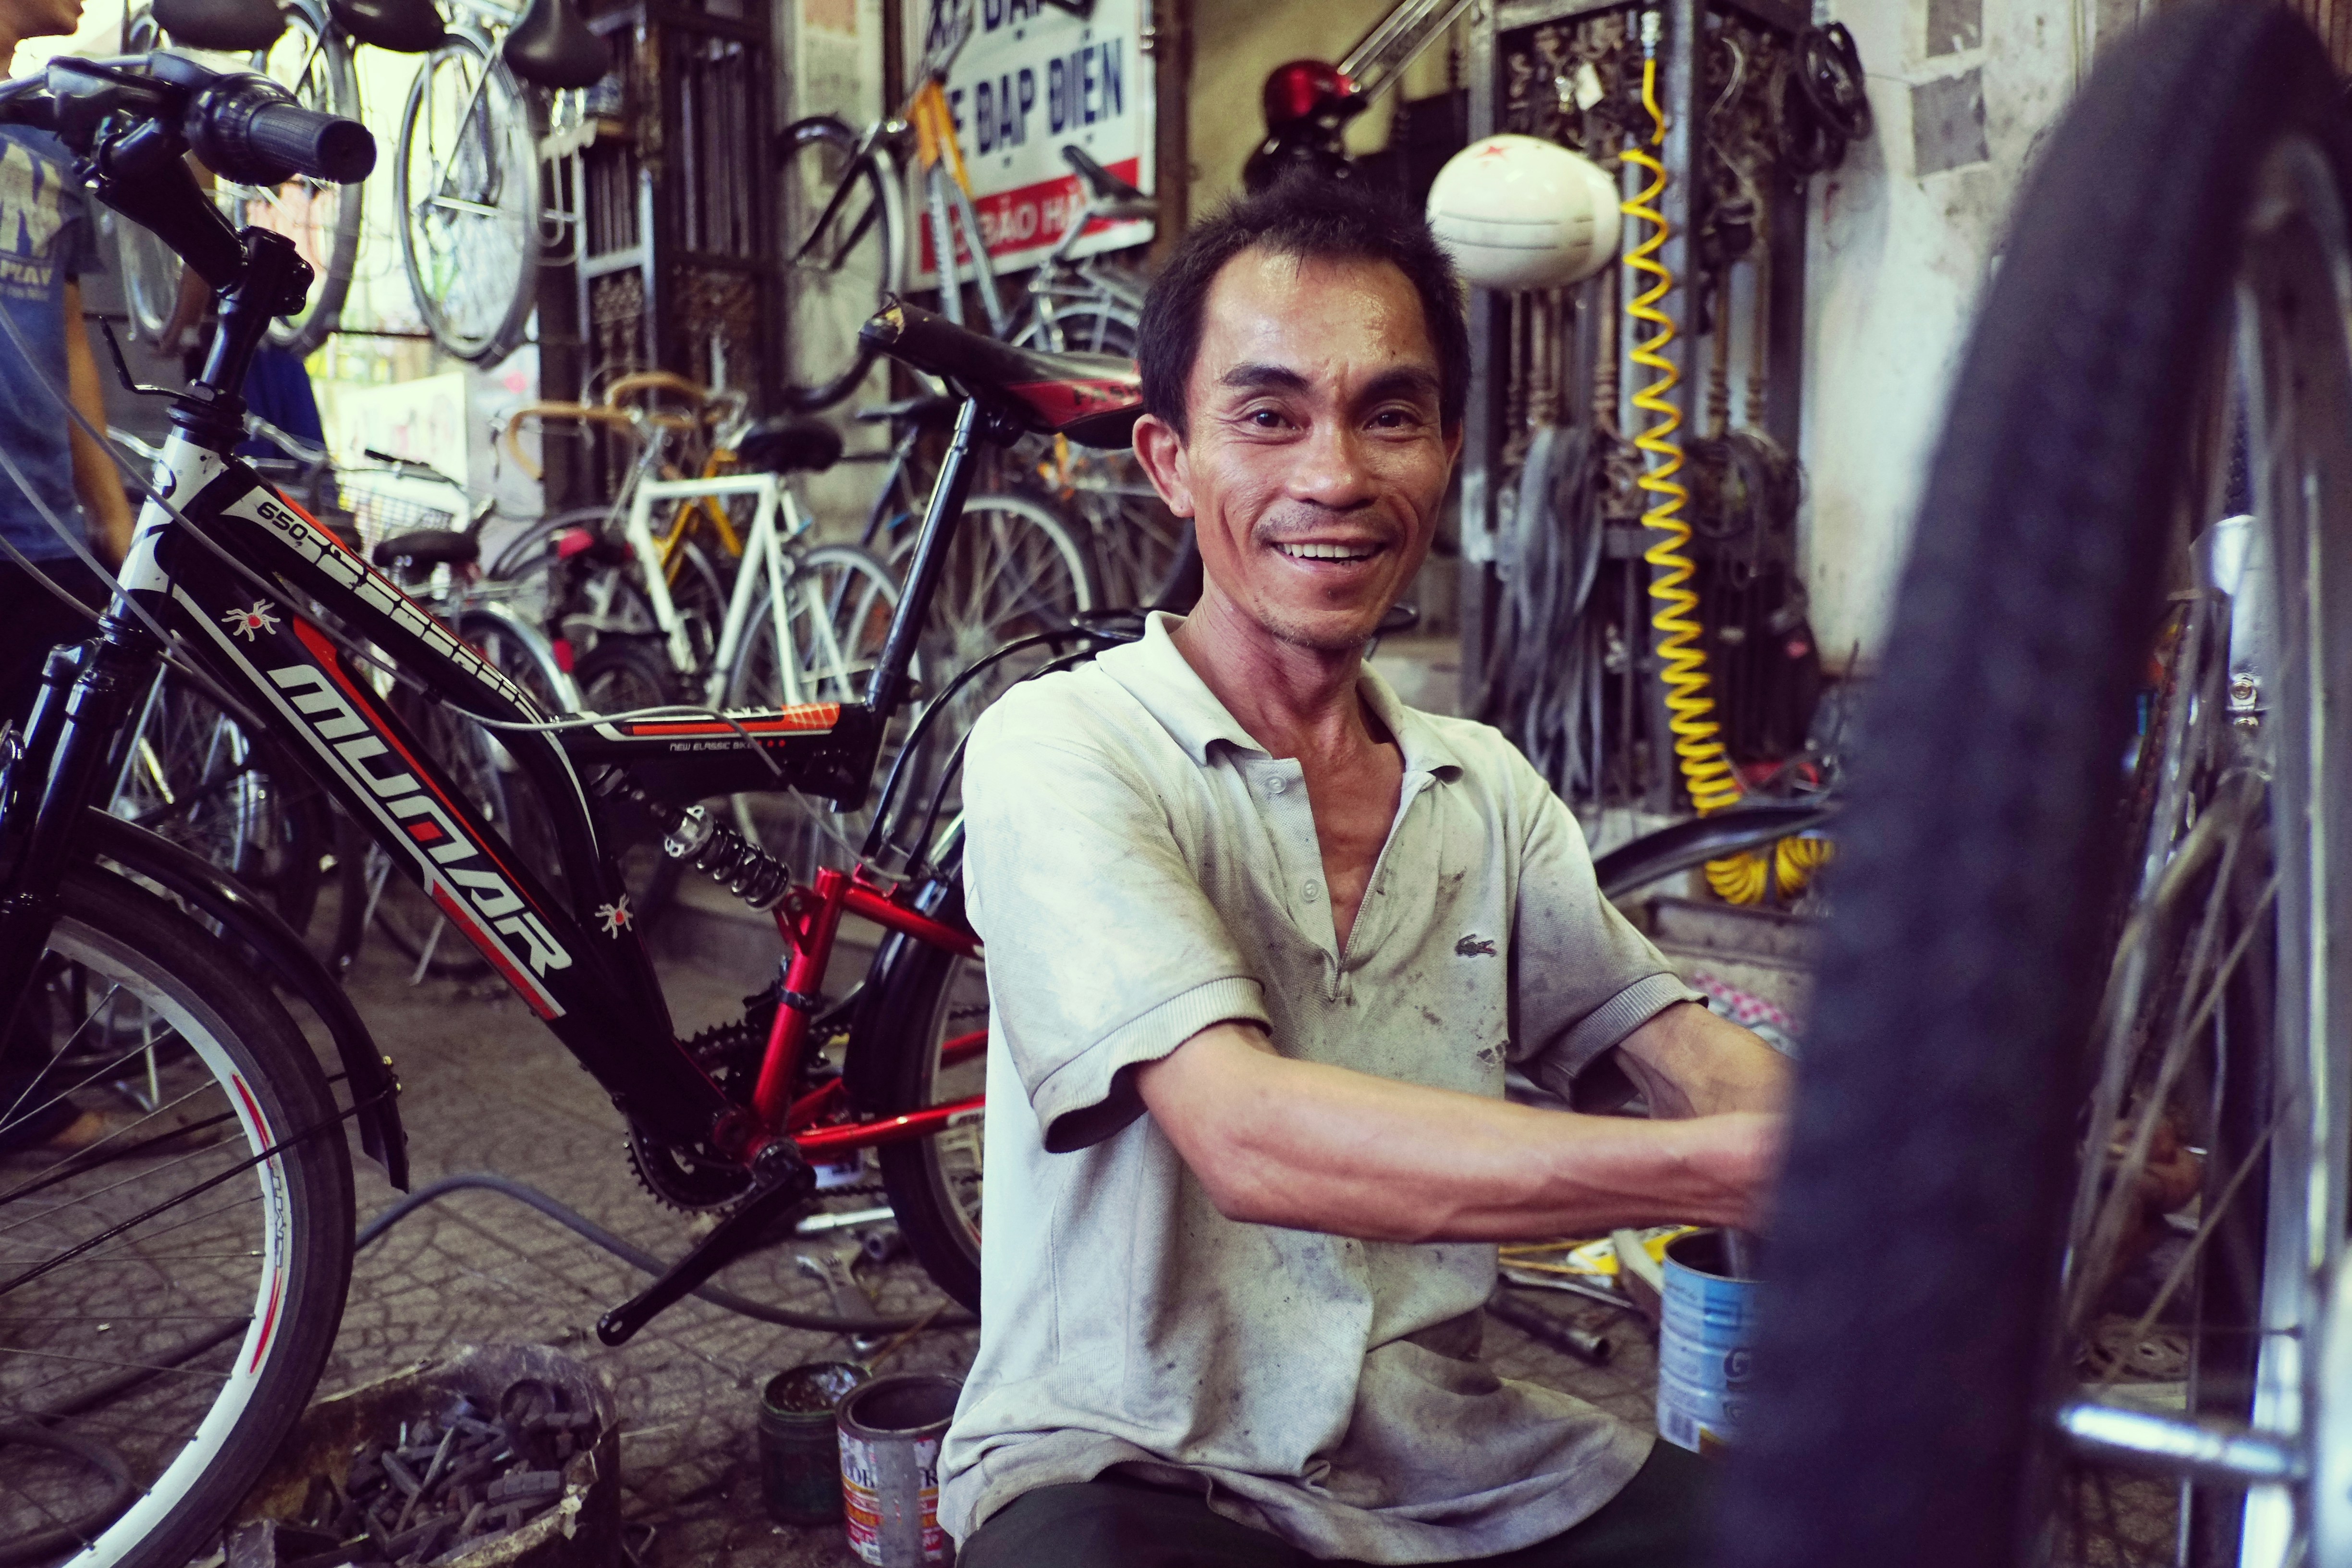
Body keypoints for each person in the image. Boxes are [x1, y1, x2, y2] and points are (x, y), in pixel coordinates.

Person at [942, 175, 1791, 1568]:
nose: (1332, 475)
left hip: (1457, 1469)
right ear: (1170, 461)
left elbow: (1686, 1055)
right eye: (1268, 415)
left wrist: (1900, 1155)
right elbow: (1245, 1132)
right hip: (1132, 1465)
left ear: (1446, 452)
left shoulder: (1488, 791)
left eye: (1387, 414)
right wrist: (1724, 1171)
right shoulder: (1059, 746)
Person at [0, 0, 143, 1155]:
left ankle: (26, 1083)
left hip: (47, 535)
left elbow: (72, 332)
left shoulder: (50, 141)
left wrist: (108, 511)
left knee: (43, 824)